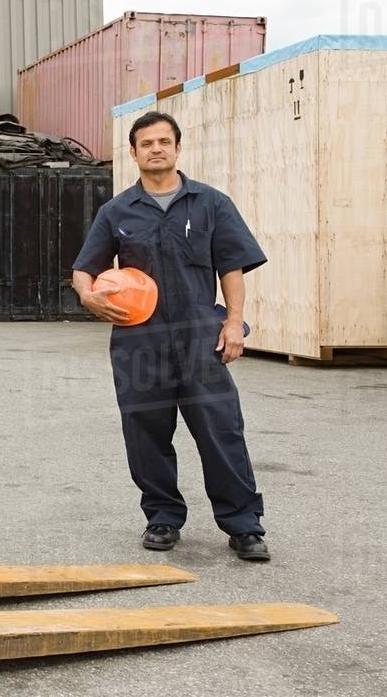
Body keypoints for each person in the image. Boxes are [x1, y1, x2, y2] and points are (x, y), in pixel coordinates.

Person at [71, 111, 271, 562]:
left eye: (164, 141)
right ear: (134, 152)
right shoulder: (116, 211)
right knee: (146, 434)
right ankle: (162, 517)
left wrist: (234, 322)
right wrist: (88, 297)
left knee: (222, 432)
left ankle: (243, 525)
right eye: (147, 143)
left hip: (201, 339)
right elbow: (83, 269)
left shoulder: (211, 203)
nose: (156, 149)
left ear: (177, 148)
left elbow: (232, 268)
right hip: (138, 343)